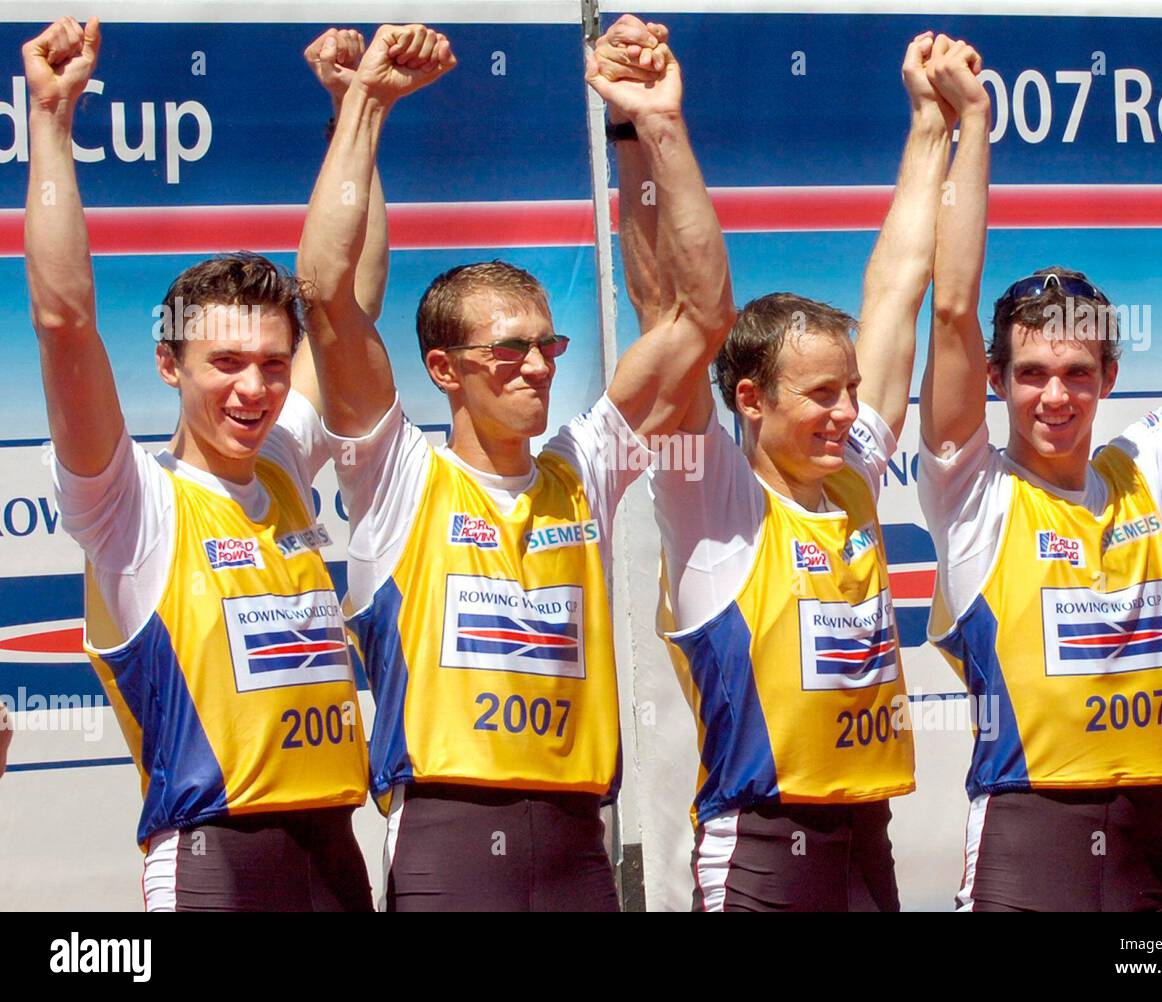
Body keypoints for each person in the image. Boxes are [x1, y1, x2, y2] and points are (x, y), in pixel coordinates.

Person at [296, 21, 733, 911]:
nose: (536, 366)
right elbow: (325, 293)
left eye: (546, 346)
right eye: (508, 352)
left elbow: (702, 318)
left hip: (577, 840)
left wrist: (660, 129)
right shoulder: (395, 474)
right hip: (450, 837)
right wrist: (365, 107)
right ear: (444, 370)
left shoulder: (586, 466)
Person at [920, 36, 1162, 911]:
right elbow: (948, 307)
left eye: (1078, 373)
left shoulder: (1144, 470)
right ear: (996, 380)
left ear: (1109, 379)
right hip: (1026, 851)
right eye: (1031, 374)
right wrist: (971, 127)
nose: (1055, 396)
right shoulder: (970, 489)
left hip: (1145, 857)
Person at [24, 18, 384, 911]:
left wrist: (354, 115)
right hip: (212, 861)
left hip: (337, 851)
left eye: (270, 363)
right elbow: (65, 320)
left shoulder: (284, 466)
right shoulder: (129, 503)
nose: (254, 389)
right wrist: (50, 121)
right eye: (224, 364)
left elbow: (345, 299)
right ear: (170, 365)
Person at [607, 22, 953, 911]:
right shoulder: (711, 494)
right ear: (752, 400)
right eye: (821, 396)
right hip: (761, 847)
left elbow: (898, 284)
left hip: (866, 840)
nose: (850, 414)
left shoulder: (852, 478)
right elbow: (667, 310)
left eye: (852, 391)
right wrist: (649, 135)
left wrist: (928, 127)